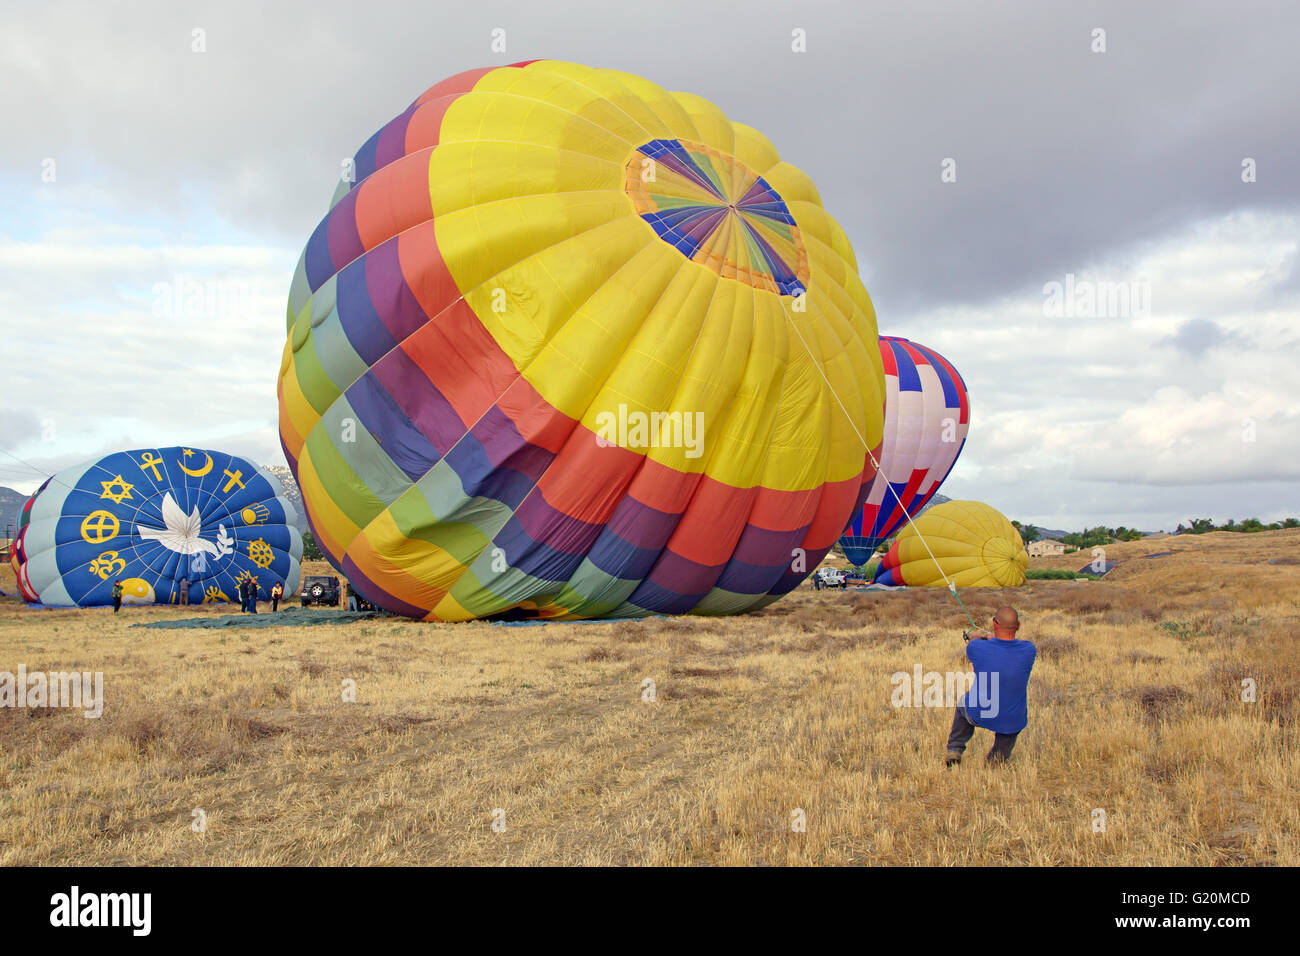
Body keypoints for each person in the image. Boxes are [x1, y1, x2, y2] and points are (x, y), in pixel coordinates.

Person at [945, 606, 1037, 766]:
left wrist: (976, 637)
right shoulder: (1029, 650)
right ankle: (996, 761)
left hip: (981, 712)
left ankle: (954, 749)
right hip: (1012, 719)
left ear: (995, 624)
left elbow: (974, 645)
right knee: (1011, 727)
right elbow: (1009, 643)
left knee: (963, 703)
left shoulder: (976, 647)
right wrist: (990, 637)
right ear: (1019, 626)